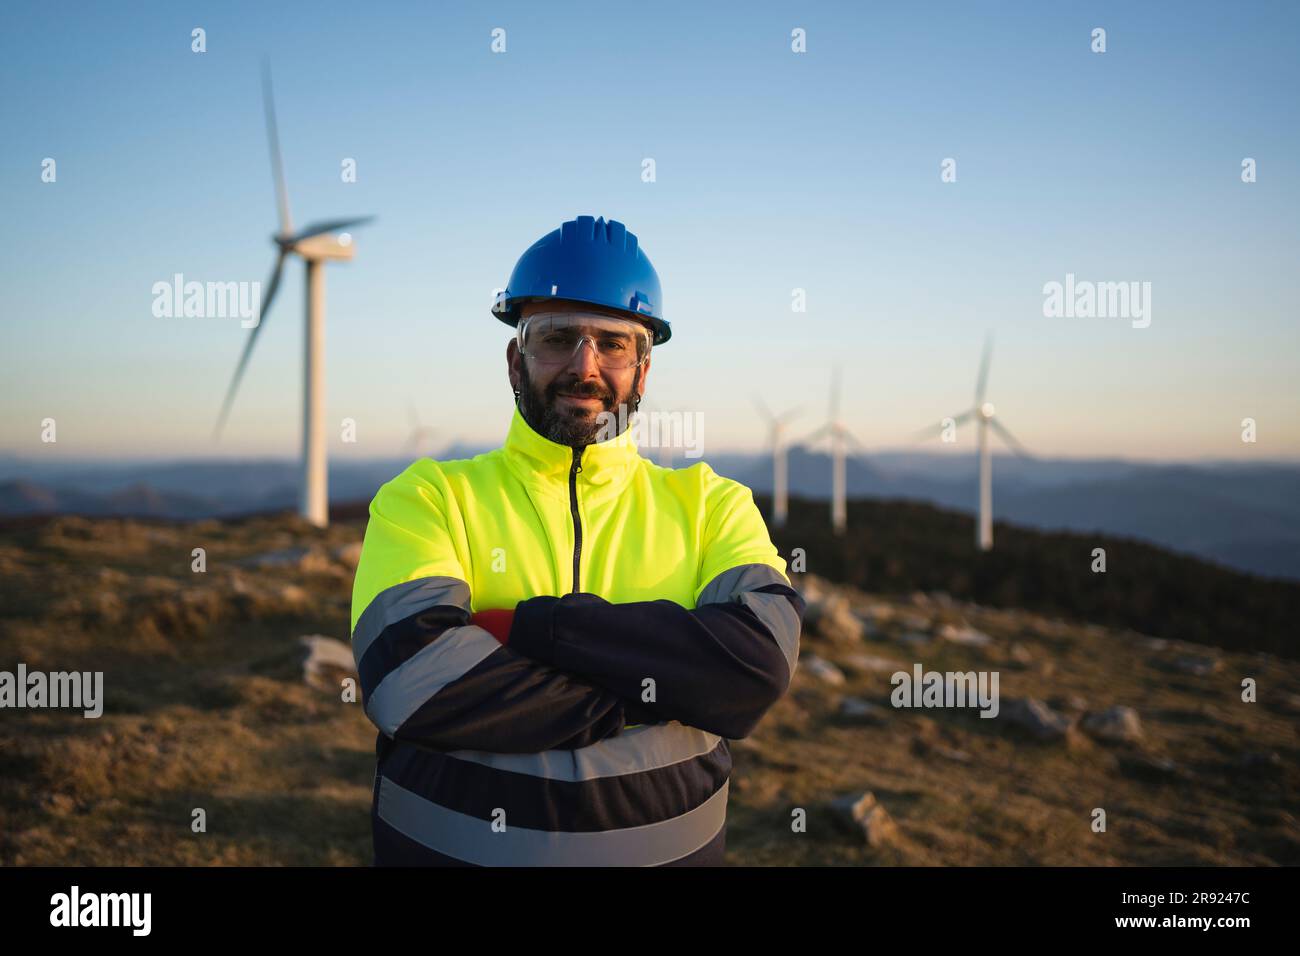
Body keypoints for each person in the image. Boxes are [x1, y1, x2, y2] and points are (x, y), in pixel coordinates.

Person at [349, 214, 804, 866]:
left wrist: (527, 632)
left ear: (643, 371)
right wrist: (666, 691)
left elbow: (755, 666)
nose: (584, 367)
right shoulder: (426, 497)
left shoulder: (712, 505)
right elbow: (409, 681)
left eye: (613, 344)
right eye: (557, 338)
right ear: (516, 358)